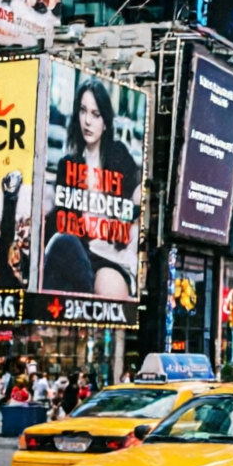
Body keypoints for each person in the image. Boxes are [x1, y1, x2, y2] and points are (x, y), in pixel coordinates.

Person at [40, 77, 140, 299]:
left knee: (106, 288)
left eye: (95, 115)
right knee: (60, 242)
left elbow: (140, 201)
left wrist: (132, 253)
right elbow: (62, 219)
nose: (87, 121)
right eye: (83, 111)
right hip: (81, 253)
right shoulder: (68, 164)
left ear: (105, 122)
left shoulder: (118, 154)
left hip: (113, 257)